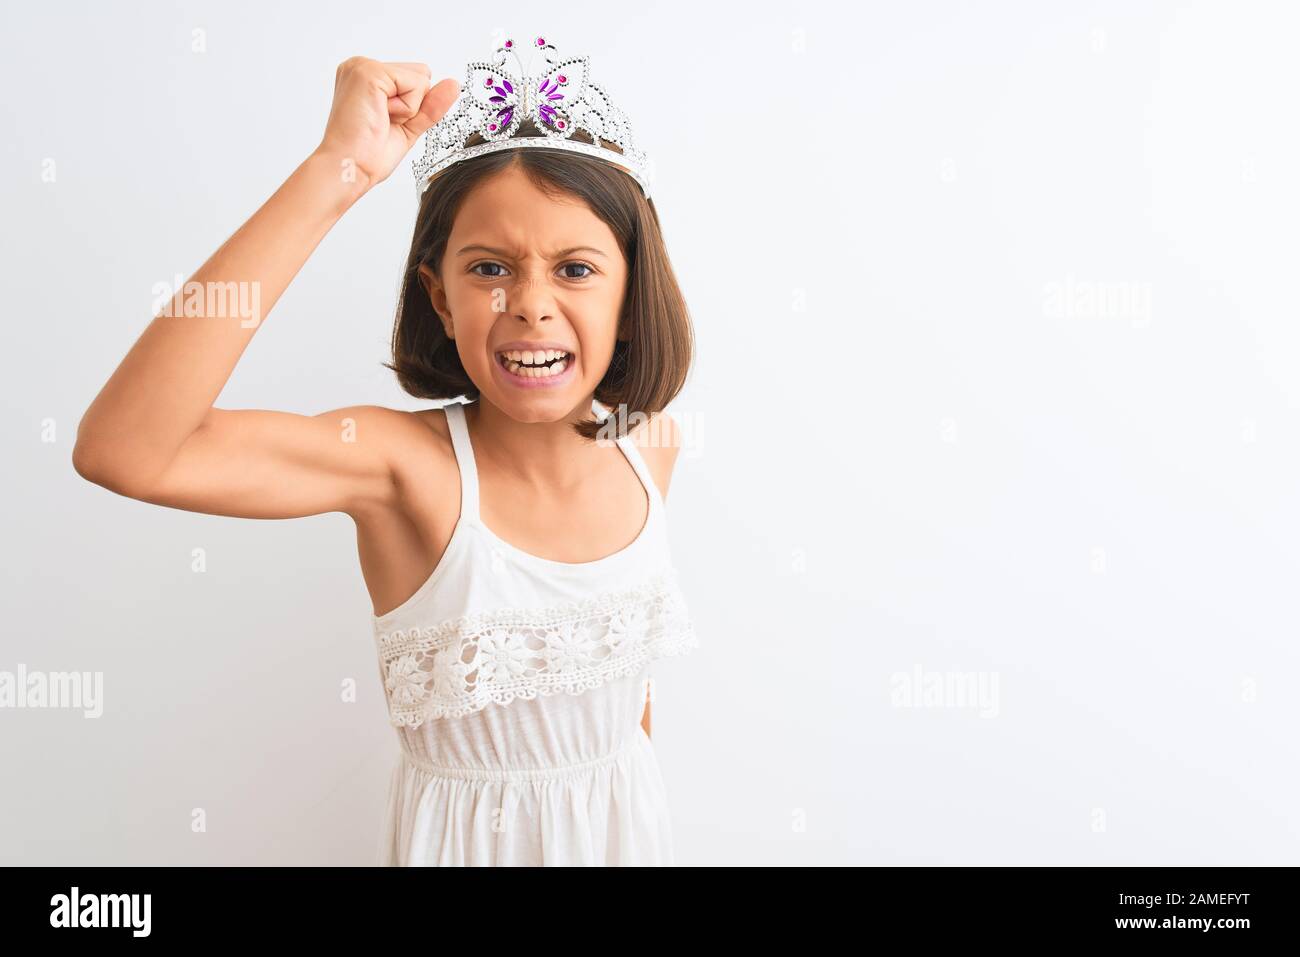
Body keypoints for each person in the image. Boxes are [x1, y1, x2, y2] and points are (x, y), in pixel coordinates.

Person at [73, 39, 699, 866]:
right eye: (489, 269)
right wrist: (339, 170)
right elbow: (127, 449)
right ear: (439, 296)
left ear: (629, 295)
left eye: (577, 268)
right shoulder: (402, 467)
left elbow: (617, 712)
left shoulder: (649, 447)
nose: (530, 306)